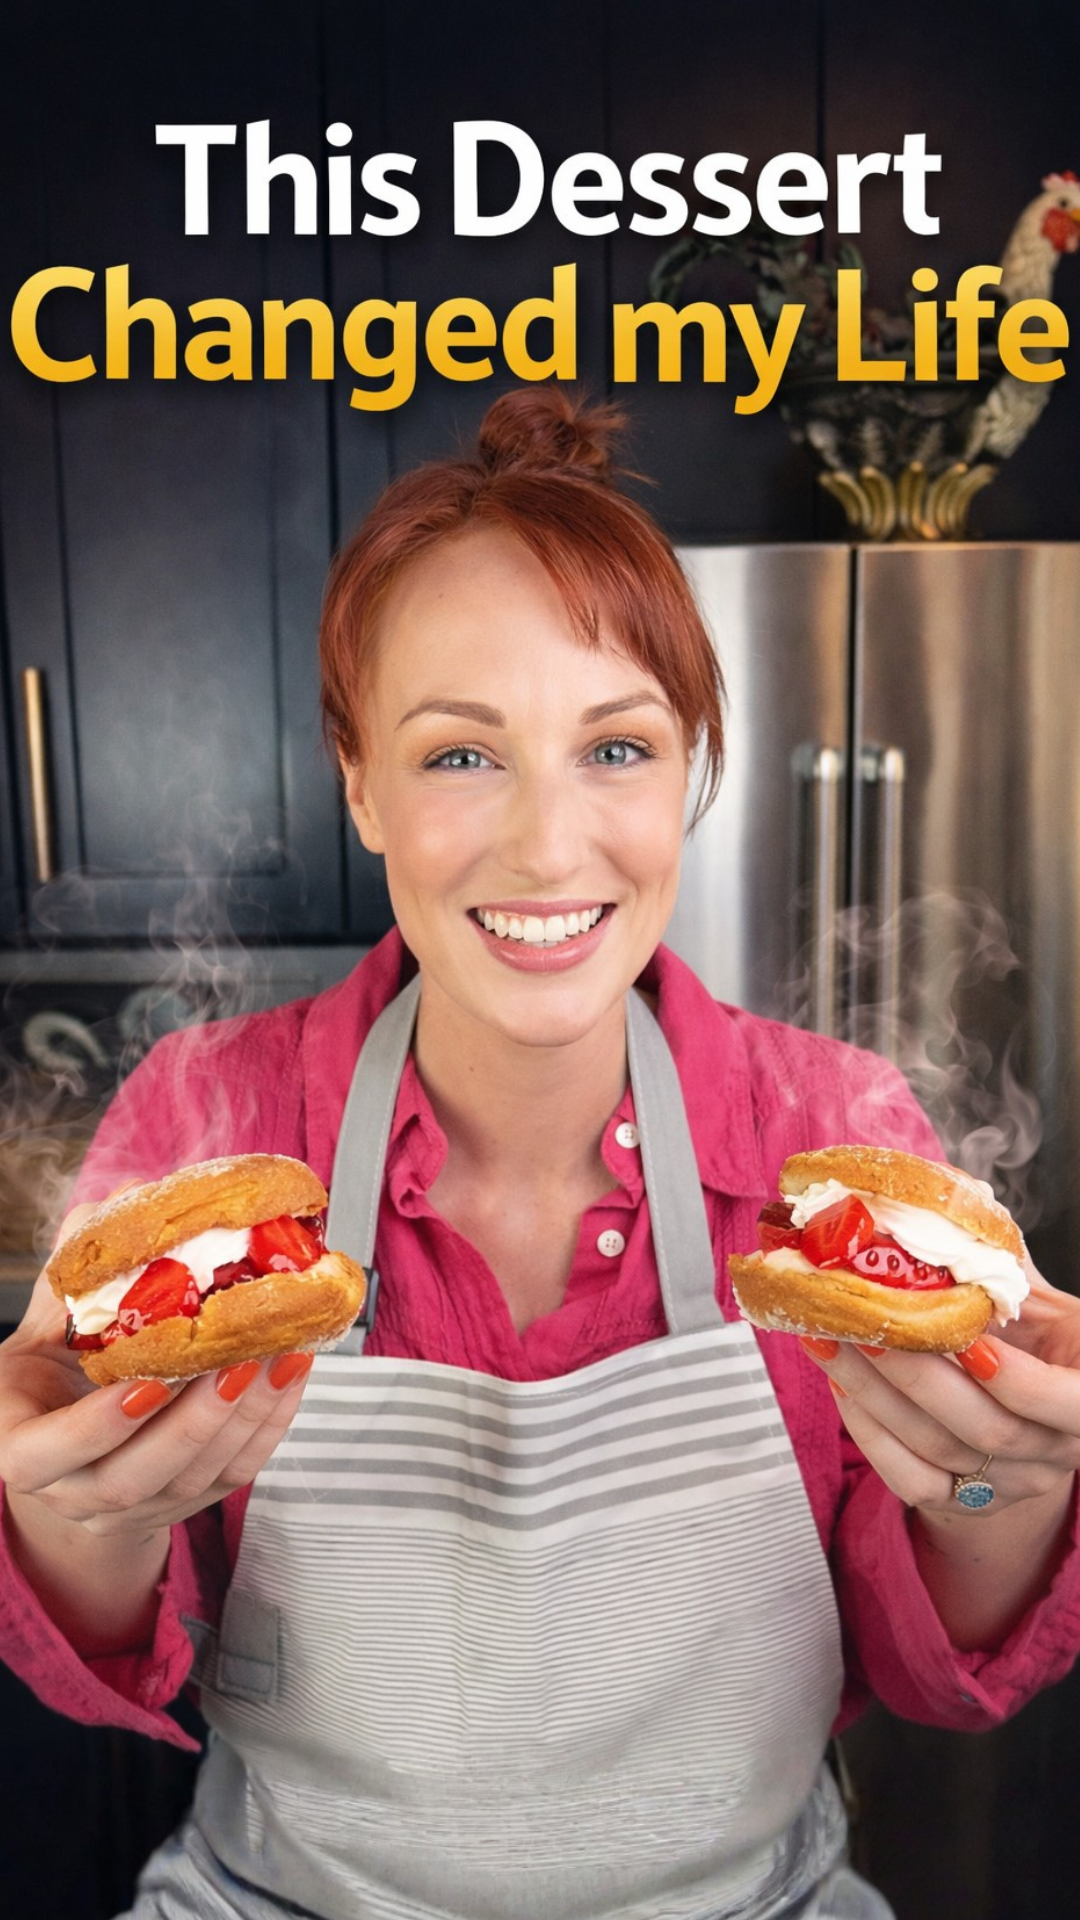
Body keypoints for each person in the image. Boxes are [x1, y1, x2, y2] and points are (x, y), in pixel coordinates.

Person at [2, 387, 1080, 1920]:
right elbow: (139, 1643)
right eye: (459, 759)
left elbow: (928, 1666)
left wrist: (1010, 1487)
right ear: (359, 776)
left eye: (617, 749)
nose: (549, 847)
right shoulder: (211, 1128)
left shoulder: (834, 1143)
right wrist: (75, 1509)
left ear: (688, 770)